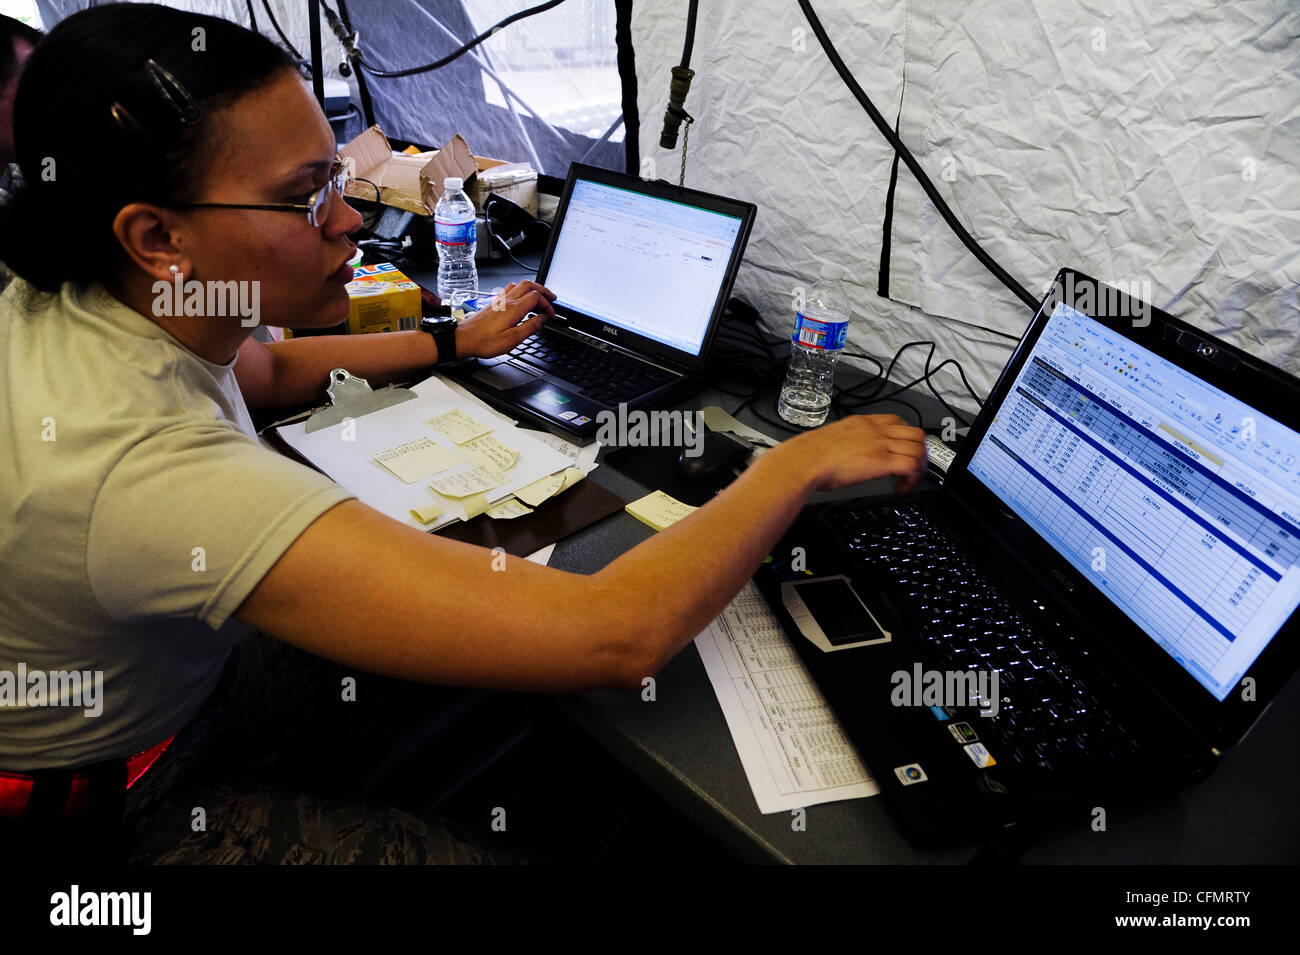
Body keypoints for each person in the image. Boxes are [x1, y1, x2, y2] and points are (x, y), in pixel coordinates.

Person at [0, 3, 926, 863]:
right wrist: (793, 466)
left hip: (164, 683)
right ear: (157, 236)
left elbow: (272, 370)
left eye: (339, 179)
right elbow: (620, 634)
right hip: (120, 794)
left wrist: (453, 337)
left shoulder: (115, 303)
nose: (352, 219)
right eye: (306, 197)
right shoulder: (135, 461)